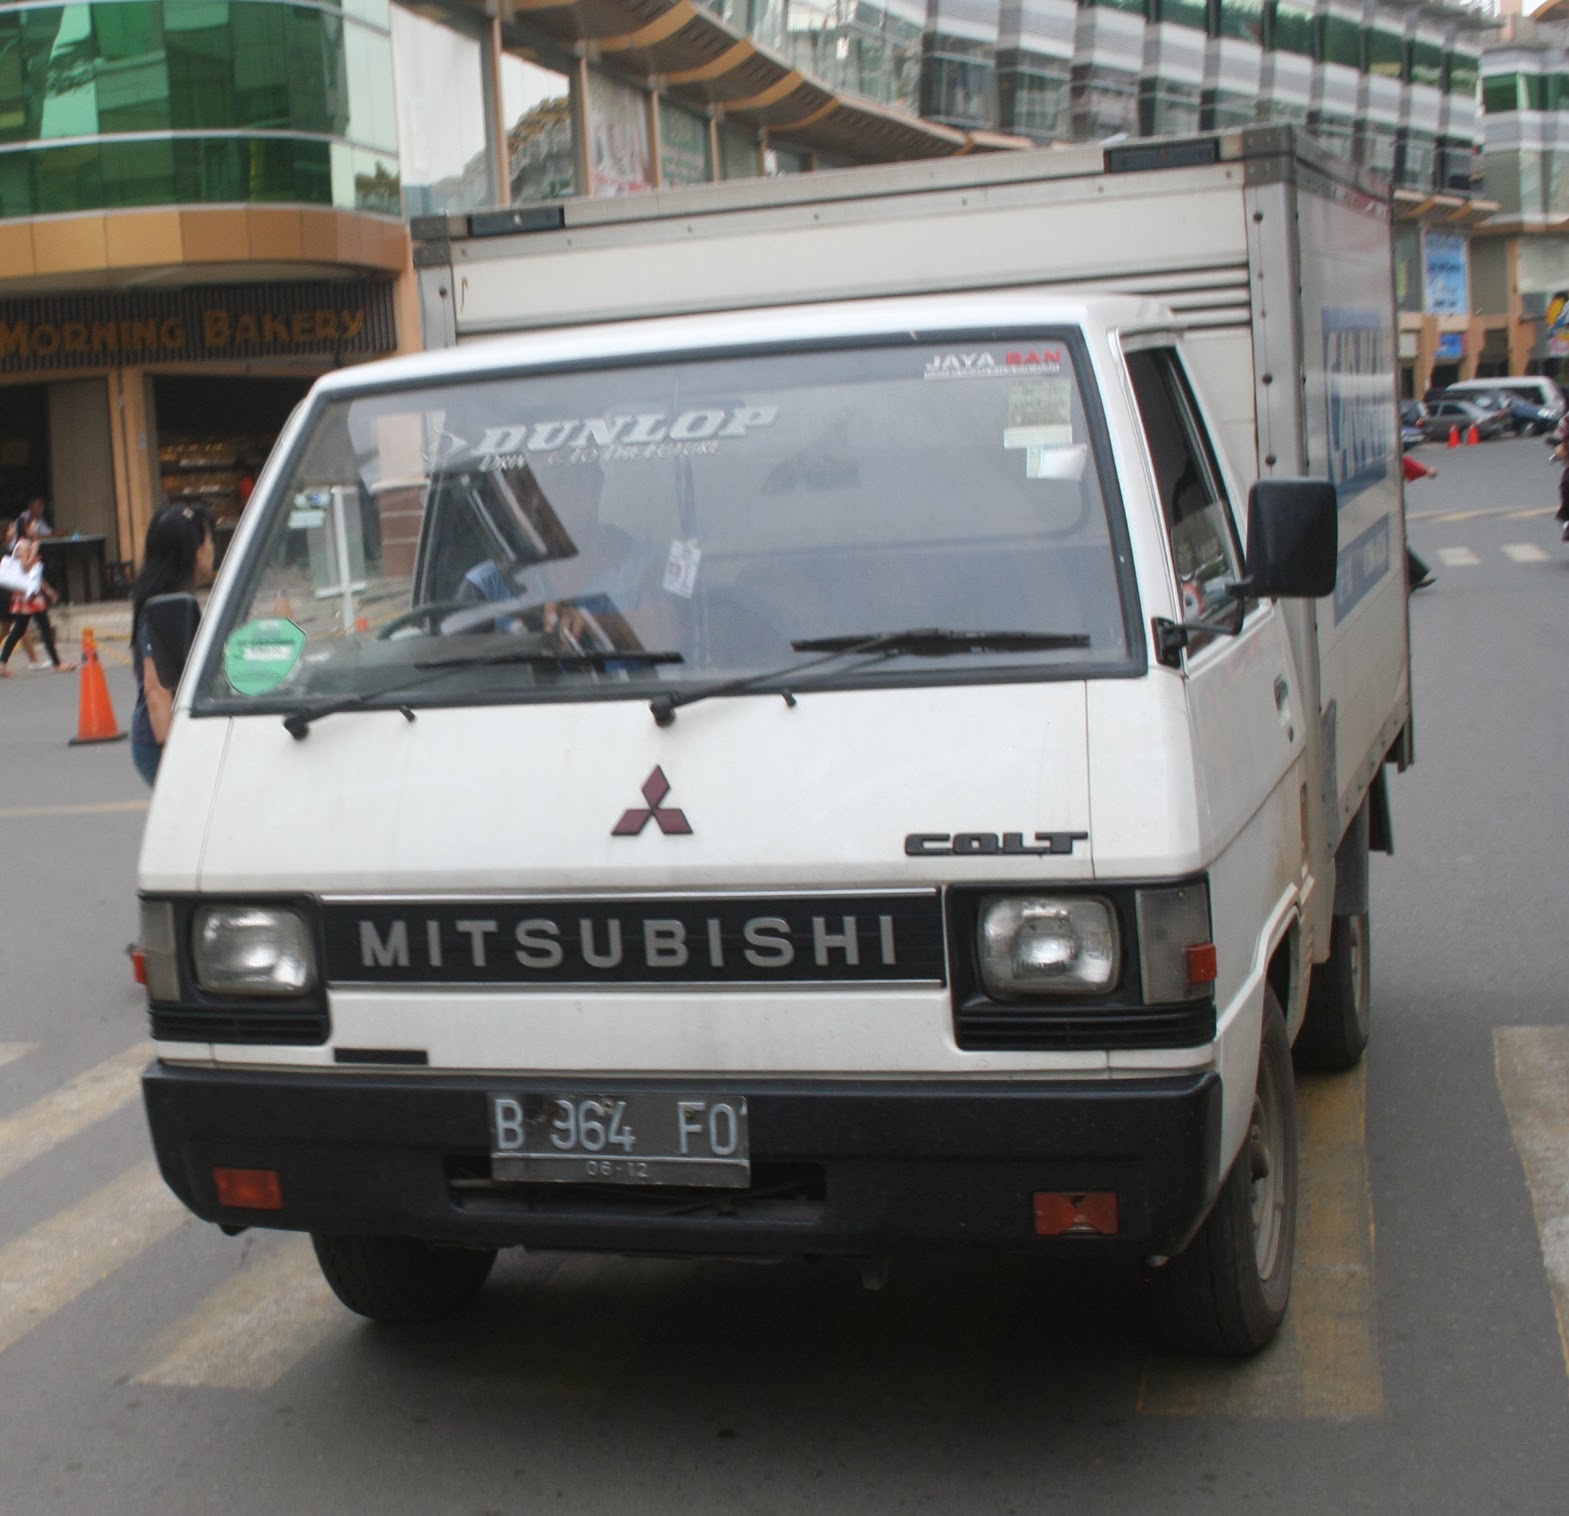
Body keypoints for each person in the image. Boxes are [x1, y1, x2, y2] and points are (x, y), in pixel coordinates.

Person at [129, 503, 215, 786]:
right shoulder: (165, 608)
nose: (213, 547)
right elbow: (157, 690)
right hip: (162, 739)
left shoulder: (175, 602)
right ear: (194, 551)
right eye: (209, 539)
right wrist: (171, 753)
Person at [0, 521, 74, 675]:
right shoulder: (24, 545)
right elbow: (26, 567)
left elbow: (35, 573)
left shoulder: (29, 543)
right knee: (43, 627)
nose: (35, 528)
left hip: (32, 593)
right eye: (32, 525)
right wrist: (34, 550)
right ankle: (57, 663)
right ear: (25, 529)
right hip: (28, 595)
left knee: (20, 629)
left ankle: (2, 662)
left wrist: (47, 590)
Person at [1401, 452, 1437, 590]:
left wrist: (1425, 471)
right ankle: (1414, 575)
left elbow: (1408, 465)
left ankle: (1414, 575)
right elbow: (1410, 465)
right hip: (1390, 503)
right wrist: (1427, 471)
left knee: (1396, 543)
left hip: (1386, 504)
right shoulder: (1386, 453)